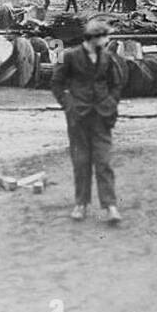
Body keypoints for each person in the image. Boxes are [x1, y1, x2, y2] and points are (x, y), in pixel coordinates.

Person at [51, 19, 126, 224]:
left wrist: (111, 102)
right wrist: (68, 104)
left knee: (103, 161)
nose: (107, 40)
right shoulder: (71, 57)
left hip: (102, 116)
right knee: (81, 161)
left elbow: (117, 83)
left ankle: (110, 206)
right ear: (94, 37)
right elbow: (57, 83)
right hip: (78, 117)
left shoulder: (108, 58)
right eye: (104, 36)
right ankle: (81, 204)